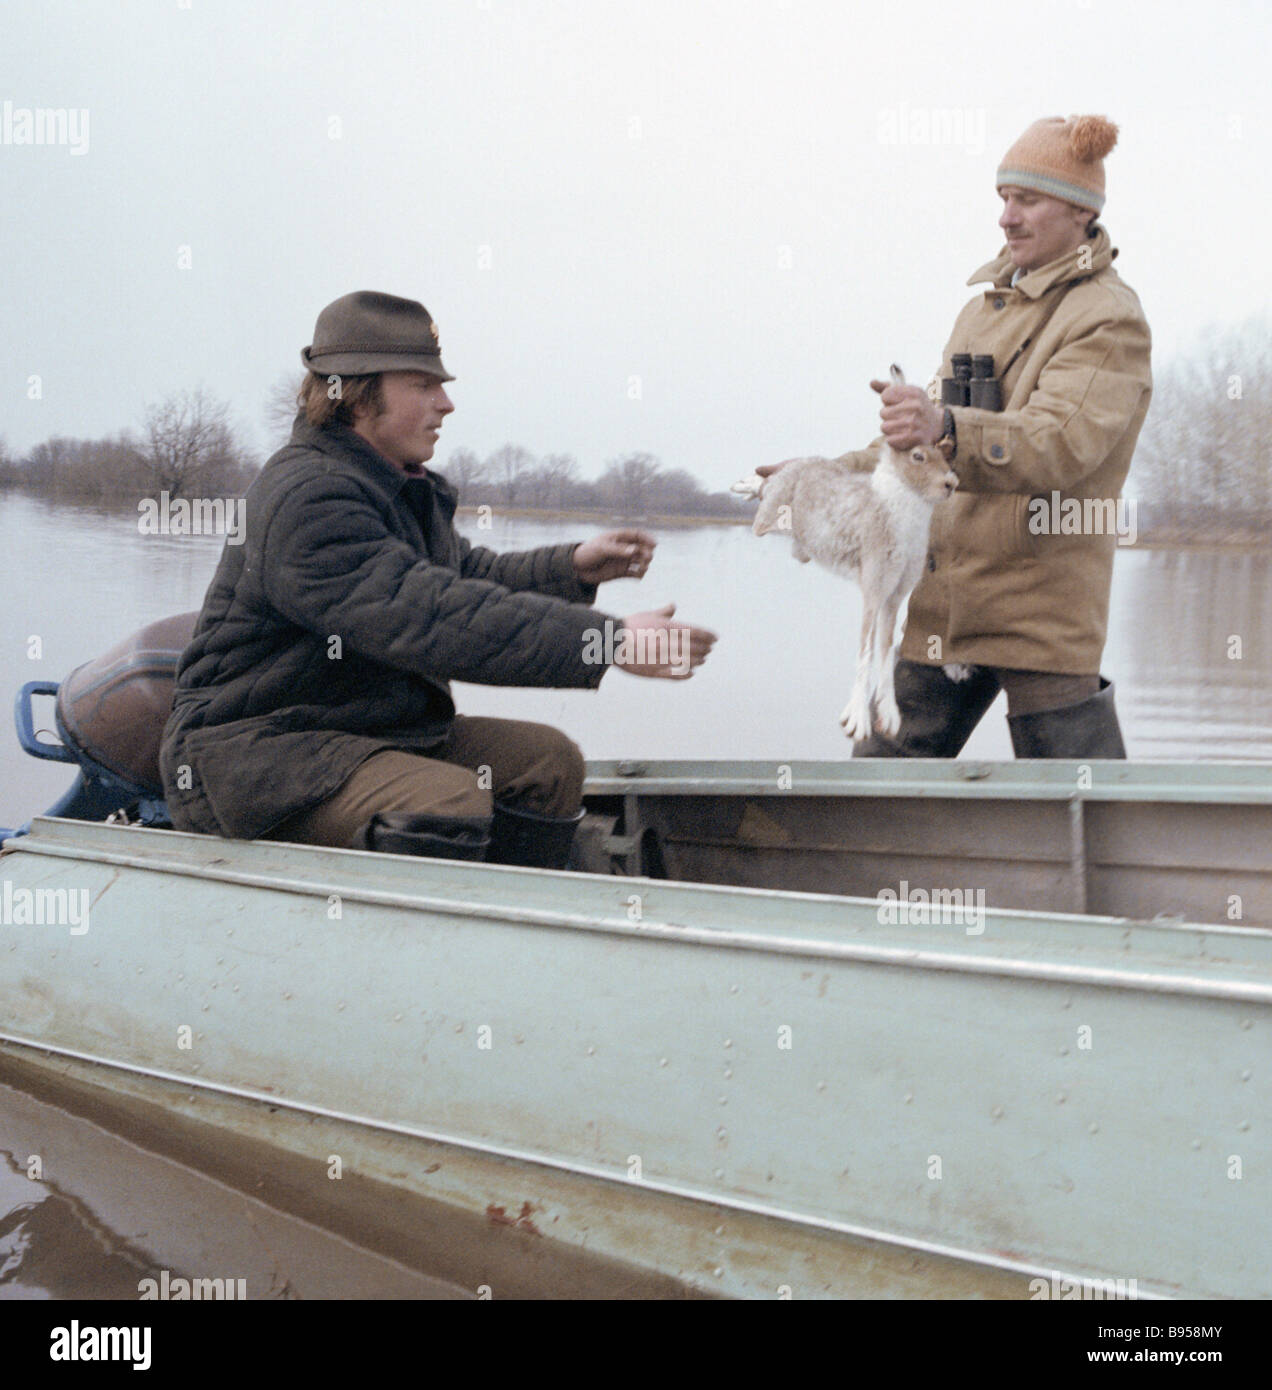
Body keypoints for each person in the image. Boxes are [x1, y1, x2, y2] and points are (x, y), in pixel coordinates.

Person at [158, 290, 716, 867]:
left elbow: (462, 577)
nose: (445, 403)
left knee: (549, 763)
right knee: (447, 803)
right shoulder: (308, 497)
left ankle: (524, 926)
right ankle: (420, 946)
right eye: (422, 385)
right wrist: (609, 639)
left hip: (370, 731)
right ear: (352, 393)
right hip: (259, 756)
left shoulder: (393, 484)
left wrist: (569, 566)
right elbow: (425, 613)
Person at [771, 114, 1152, 758]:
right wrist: (813, 478)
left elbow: (1057, 443)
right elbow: (913, 449)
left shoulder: (1108, 319)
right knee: (874, 794)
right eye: (1004, 199)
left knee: (1088, 816)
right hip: (941, 603)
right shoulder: (981, 312)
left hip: (1040, 619)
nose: (1006, 217)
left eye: (1027, 199)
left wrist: (945, 424)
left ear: (1080, 209)